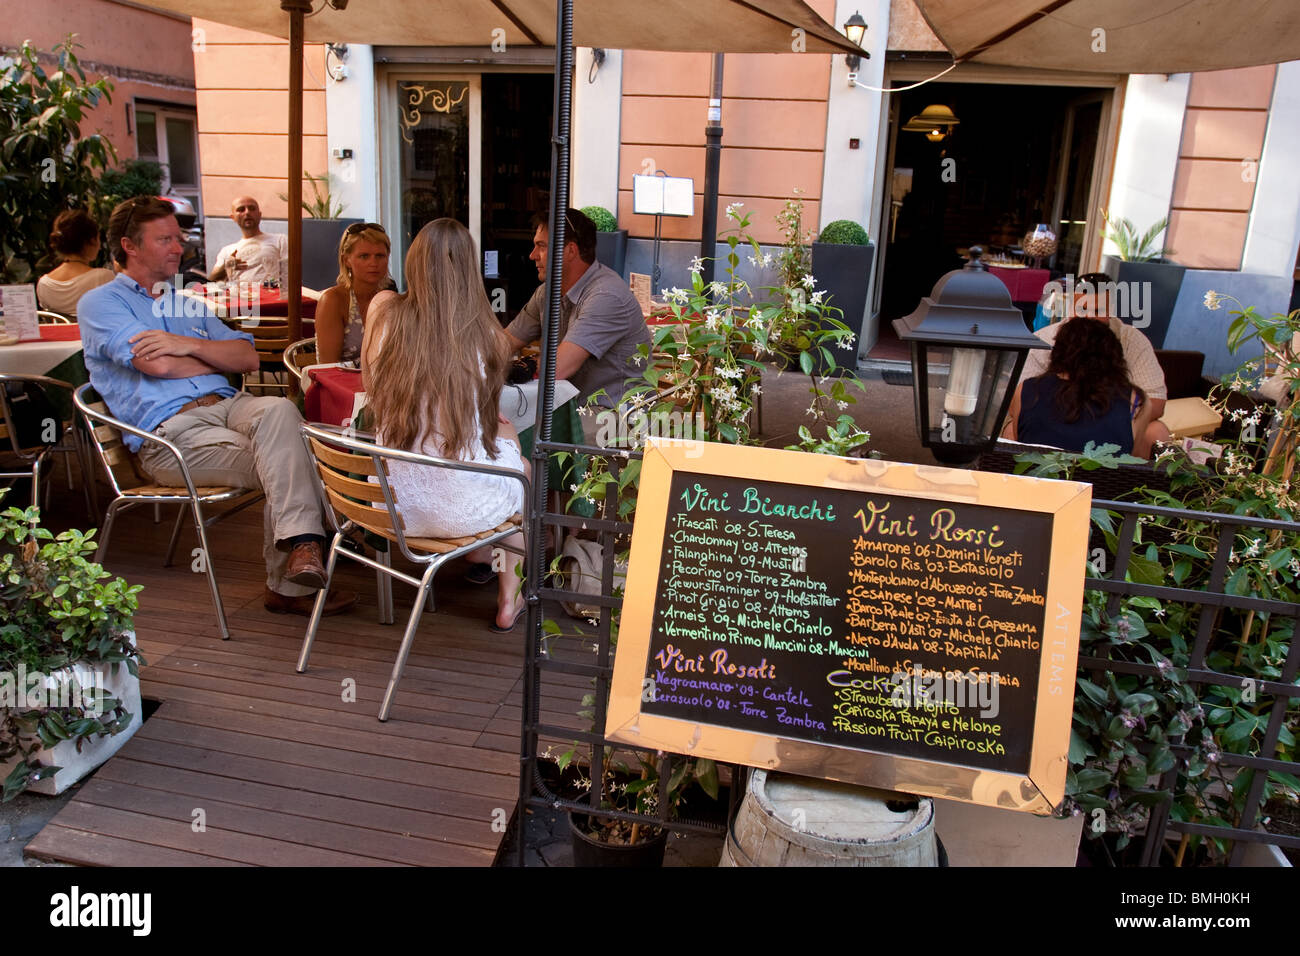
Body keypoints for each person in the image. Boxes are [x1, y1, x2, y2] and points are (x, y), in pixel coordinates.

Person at [78, 197, 355, 616]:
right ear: (129, 246)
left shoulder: (186, 302)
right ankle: (301, 563)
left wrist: (186, 343)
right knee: (295, 455)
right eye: (166, 239)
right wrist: (204, 354)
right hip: (173, 436)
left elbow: (246, 358)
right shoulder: (101, 304)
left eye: (179, 238)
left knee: (280, 411)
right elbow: (154, 363)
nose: (179, 247)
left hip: (231, 407)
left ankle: (303, 552)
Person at [361, 218, 529, 632]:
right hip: (457, 509)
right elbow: (488, 416)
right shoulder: (486, 332)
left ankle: (480, 553)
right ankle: (510, 594)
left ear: (414, 262)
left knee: (499, 444)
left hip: (393, 508)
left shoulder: (383, 310)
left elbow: (371, 388)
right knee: (521, 465)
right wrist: (490, 423)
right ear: (469, 269)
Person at [503, 209, 649, 420]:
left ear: (570, 251)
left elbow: (558, 368)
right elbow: (504, 342)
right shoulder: (547, 292)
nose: (532, 255)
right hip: (574, 407)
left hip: (615, 417)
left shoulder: (606, 295)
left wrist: (516, 367)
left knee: (513, 436)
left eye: (542, 246)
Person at [1015, 274, 1171, 450]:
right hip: (1052, 420)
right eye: (1082, 309)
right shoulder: (1042, 340)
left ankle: (1132, 476)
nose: (1088, 318)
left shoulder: (1132, 340)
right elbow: (1021, 400)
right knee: (1009, 431)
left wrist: (1101, 419)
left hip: (1112, 423)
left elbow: (1156, 402)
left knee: (1157, 431)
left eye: (1097, 311)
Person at [1006, 316, 1159, 458]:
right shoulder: (1136, 400)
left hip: (1039, 479)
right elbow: (1132, 458)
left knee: (1009, 430)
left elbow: (1020, 439)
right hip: (1104, 483)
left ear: (1059, 352)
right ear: (1113, 356)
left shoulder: (1027, 390)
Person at [315, 222, 392, 365]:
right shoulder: (333, 300)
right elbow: (329, 366)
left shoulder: (390, 300)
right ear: (347, 260)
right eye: (364, 256)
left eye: (380, 256)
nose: (373, 263)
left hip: (380, 384)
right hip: (337, 383)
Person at [36, 209, 116, 317]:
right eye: (98, 239)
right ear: (91, 241)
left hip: (60, 334)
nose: (100, 247)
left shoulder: (44, 284)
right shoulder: (102, 278)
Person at [208, 195, 289, 284]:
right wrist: (225, 268)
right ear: (233, 217)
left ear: (259, 214)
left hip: (271, 294)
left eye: (252, 208)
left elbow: (290, 275)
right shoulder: (227, 251)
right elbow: (211, 281)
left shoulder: (280, 240)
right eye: (241, 209)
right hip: (239, 296)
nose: (247, 212)